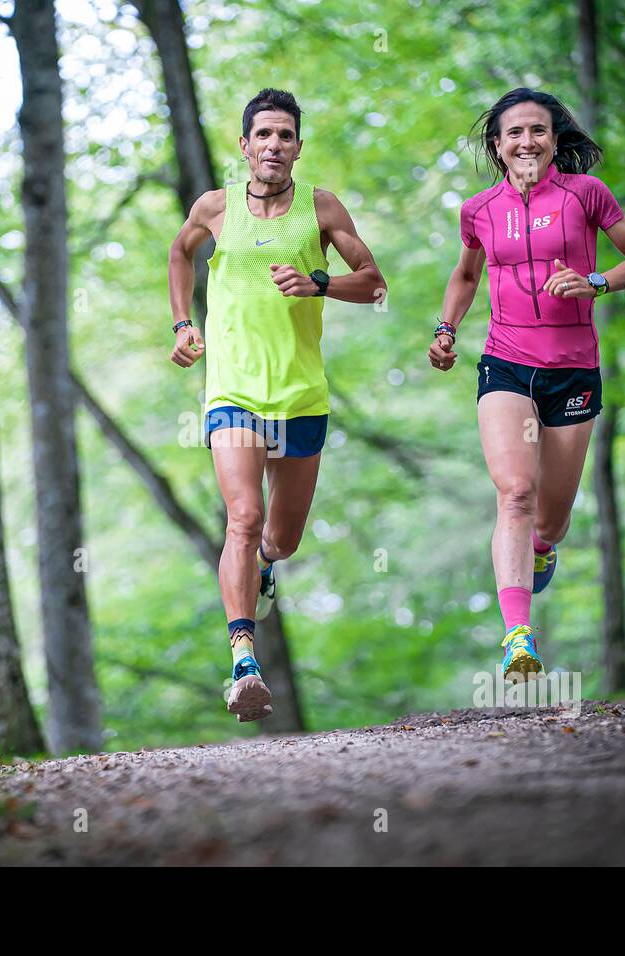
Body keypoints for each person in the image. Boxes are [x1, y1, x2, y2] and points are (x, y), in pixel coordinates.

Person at [167, 88, 386, 721]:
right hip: (232, 393)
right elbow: (180, 253)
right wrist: (182, 325)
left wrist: (319, 281)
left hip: (300, 397)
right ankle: (243, 661)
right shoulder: (214, 208)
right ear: (244, 145)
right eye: (263, 134)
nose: (274, 145)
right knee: (242, 516)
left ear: (297, 146)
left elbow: (373, 284)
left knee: (280, 539)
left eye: (285, 135)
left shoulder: (321, 208)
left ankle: (265, 565)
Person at [428, 88, 625, 681]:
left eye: (537, 131)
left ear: (554, 139)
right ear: (498, 146)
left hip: (573, 370)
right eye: (513, 133)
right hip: (505, 364)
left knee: (549, 522)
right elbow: (464, 273)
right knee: (515, 494)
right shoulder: (478, 210)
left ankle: (541, 548)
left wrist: (597, 282)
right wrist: (446, 330)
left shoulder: (587, 195)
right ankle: (517, 637)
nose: (526, 142)